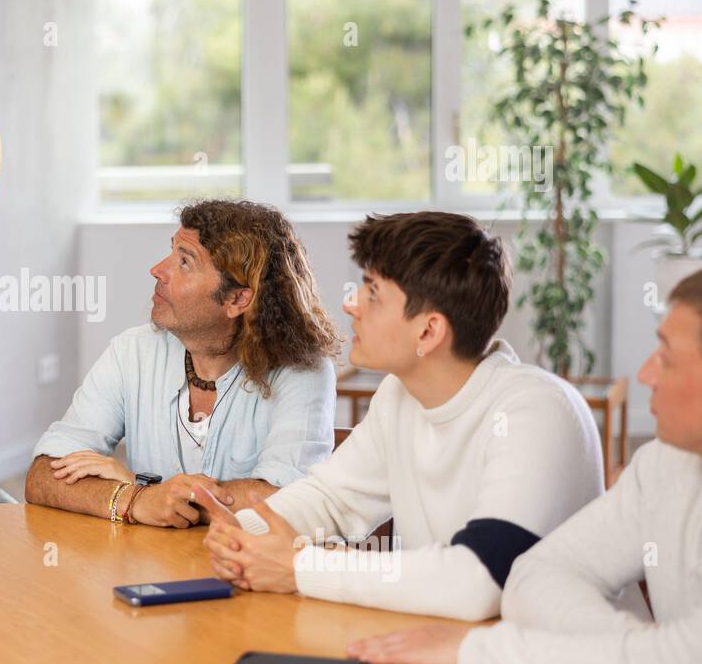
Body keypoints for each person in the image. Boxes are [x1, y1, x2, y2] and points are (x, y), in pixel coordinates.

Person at [200, 212, 603, 621]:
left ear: (428, 332)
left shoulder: (537, 411)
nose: (351, 304)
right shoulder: (400, 395)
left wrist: (300, 567)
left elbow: (477, 580)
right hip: (445, 649)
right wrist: (242, 534)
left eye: (373, 294)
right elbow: (332, 500)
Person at [346, 271, 702, 664]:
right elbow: (534, 577)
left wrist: (473, 651)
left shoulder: (536, 406)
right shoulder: (665, 466)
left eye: (666, 356)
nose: (647, 372)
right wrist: (640, 657)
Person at [26, 200, 340, 528]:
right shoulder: (132, 351)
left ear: (237, 299)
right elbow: (43, 475)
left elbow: (284, 499)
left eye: (185, 262)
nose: (158, 270)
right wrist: (136, 499)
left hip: (256, 573)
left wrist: (148, 491)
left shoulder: (303, 371)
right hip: (157, 568)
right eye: (172, 252)